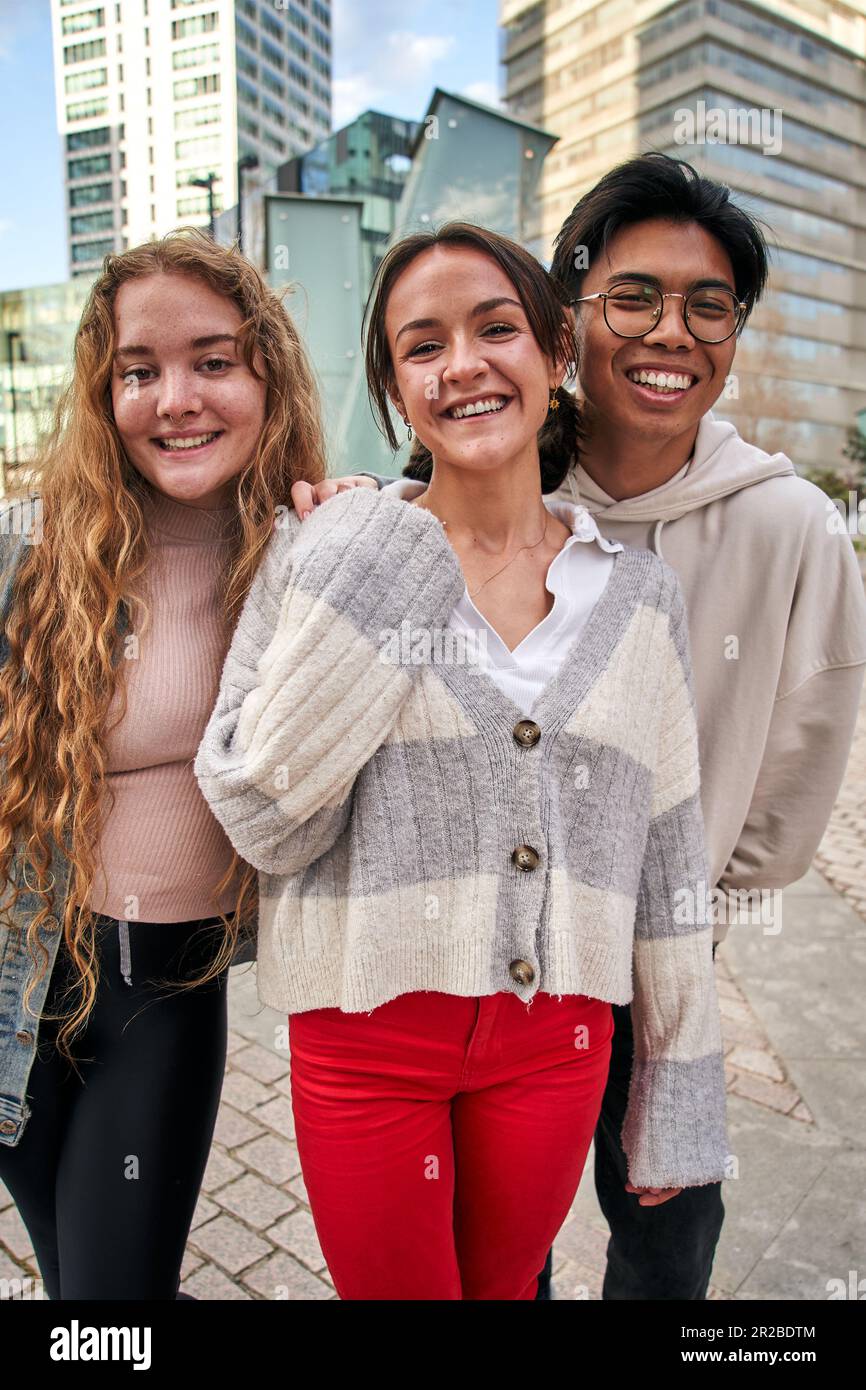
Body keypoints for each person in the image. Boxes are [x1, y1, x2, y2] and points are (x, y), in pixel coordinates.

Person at [301, 154, 866, 1299]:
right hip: (469, 976)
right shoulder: (472, 470)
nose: (670, 333)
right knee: (508, 1260)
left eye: (707, 306)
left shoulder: (792, 529)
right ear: (569, 321)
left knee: (665, 1243)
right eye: (631, 298)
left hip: (653, 963)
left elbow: (793, 790)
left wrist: (678, 909)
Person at [194, 219, 730, 1301]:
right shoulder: (331, 551)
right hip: (365, 1037)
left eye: (496, 328)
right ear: (396, 393)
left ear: (551, 354)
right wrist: (381, 561)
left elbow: (667, 853)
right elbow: (258, 810)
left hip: (558, 1041)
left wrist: (675, 1085)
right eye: (421, 344)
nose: (464, 365)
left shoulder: (633, 595)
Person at [0, 227, 328, 1299]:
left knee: (110, 1303)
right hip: (18, 962)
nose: (175, 396)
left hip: (161, 985)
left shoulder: (313, 550)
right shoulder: (37, 553)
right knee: (78, 1291)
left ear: (265, 373)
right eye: (139, 371)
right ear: (105, 393)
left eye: (212, 360)